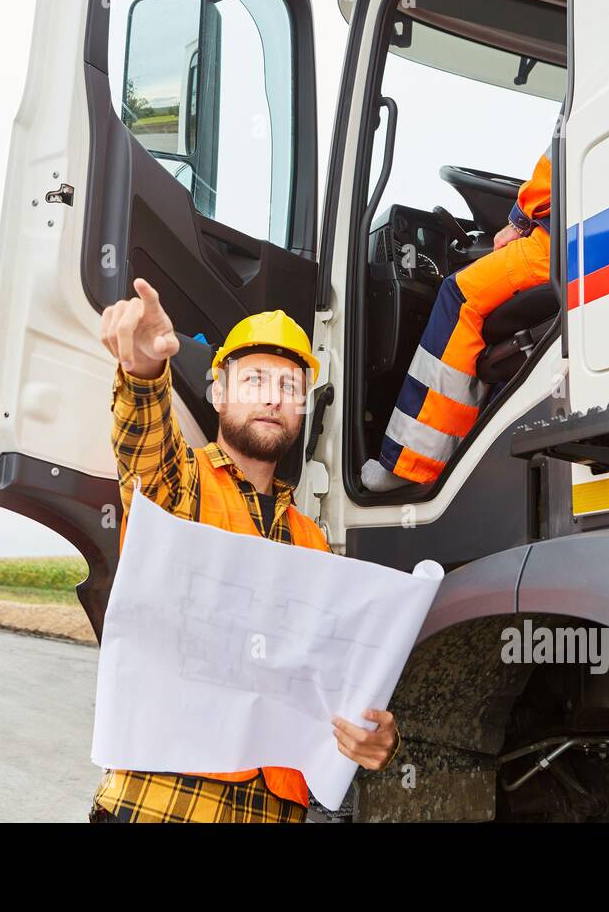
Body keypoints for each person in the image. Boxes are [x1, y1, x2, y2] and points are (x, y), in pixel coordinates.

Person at [90, 278, 402, 822]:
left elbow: (333, 693)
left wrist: (373, 737)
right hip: (160, 806)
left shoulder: (314, 543)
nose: (274, 396)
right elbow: (143, 439)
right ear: (219, 394)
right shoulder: (179, 486)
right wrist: (143, 372)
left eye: (290, 385)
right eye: (255, 379)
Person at [363, 144, 553, 490]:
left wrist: (518, 222)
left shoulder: (584, 94)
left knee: (458, 295)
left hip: (559, 243)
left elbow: (557, 162)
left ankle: (414, 464)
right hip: (591, 237)